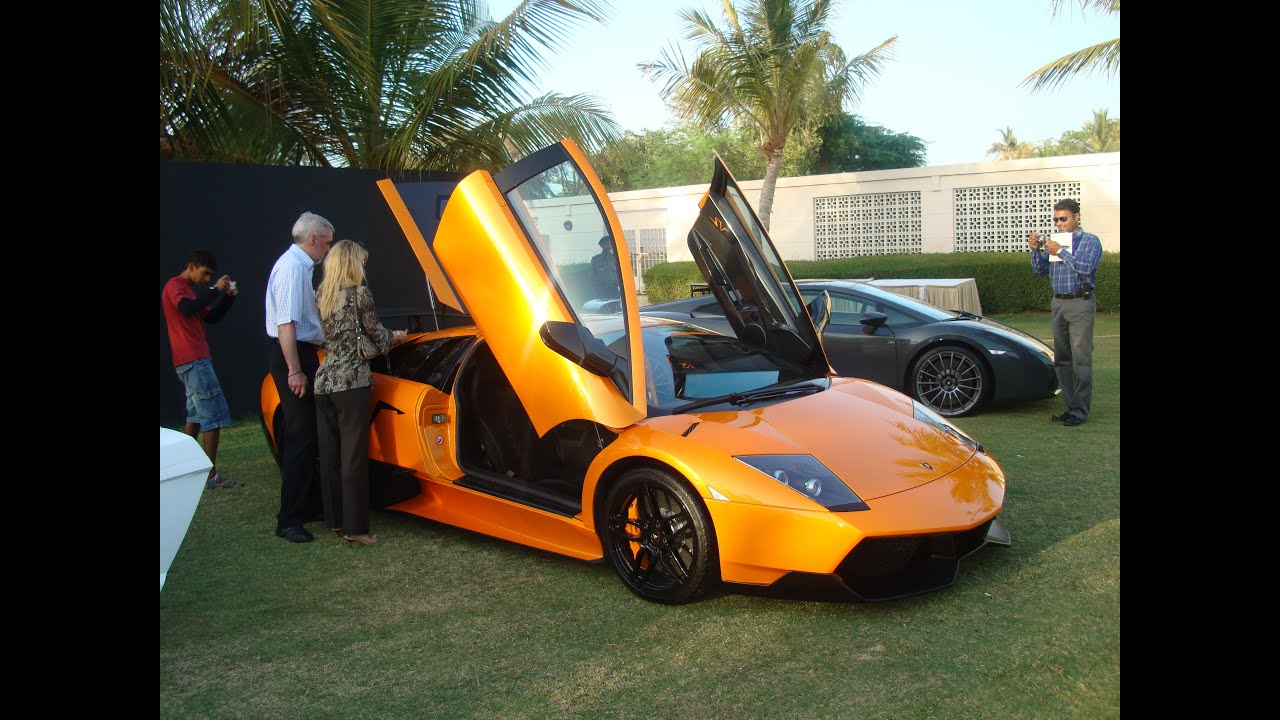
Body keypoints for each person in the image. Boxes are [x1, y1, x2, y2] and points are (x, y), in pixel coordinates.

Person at [313, 240, 406, 547]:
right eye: (362, 262)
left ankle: (337, 520)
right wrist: (398, 336)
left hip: (324, 381)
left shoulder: (322, 295)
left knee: (331, 454)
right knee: (353, 455)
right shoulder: (359, 294)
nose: (364, 268)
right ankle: (356, 528)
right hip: (352, 382)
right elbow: (378, 335)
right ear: (352, 264)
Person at [265, 211, 334, 543]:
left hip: (299, 353)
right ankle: (289, 519)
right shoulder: (293, 268)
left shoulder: (297, 266)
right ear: (313, 239)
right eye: (327, 242)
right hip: (293, 355)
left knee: (308, 435)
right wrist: (295, 370)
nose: (328, 249)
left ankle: (304, 506)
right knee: (301, 436)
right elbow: (286, 324)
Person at [161, 249, 243, 489]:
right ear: (191, 266)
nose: (207, 279)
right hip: (194, 359)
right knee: (213, 415)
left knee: (195, 416)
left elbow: (211, 317)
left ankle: (180, 469)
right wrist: (215, 290)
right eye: (205, 273)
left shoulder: (190, 291)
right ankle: (210, 476)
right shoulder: (175, 286)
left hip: (192, 360)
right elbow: (187, 309)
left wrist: (227, 298)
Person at [1028, 198, 1102, 427]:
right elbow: (1039, 271)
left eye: (1063, 219)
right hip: (1058, 303)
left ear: (1076, 217)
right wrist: (1035, 251)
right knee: (1062, 359)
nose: (1059, 223)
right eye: (1056, 219)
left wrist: (1060, 251)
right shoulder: (1055, 241)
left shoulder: (1089, 240)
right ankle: (1071, 407)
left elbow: (1086, 268)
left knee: (1081, 360)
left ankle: (1080, 411)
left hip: (1080, 302)